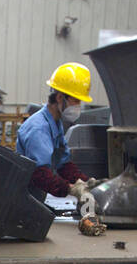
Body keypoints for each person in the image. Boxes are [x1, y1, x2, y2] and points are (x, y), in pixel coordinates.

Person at [16, 62, 96, 202]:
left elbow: (63, 164)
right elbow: (39, 175)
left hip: (34, 195)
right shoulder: (39, 128)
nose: (78, 107)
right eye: (75, 101)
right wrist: (70, 189)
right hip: (22, 197)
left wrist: (87, 182)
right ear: (60, 98)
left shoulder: (55, 123)